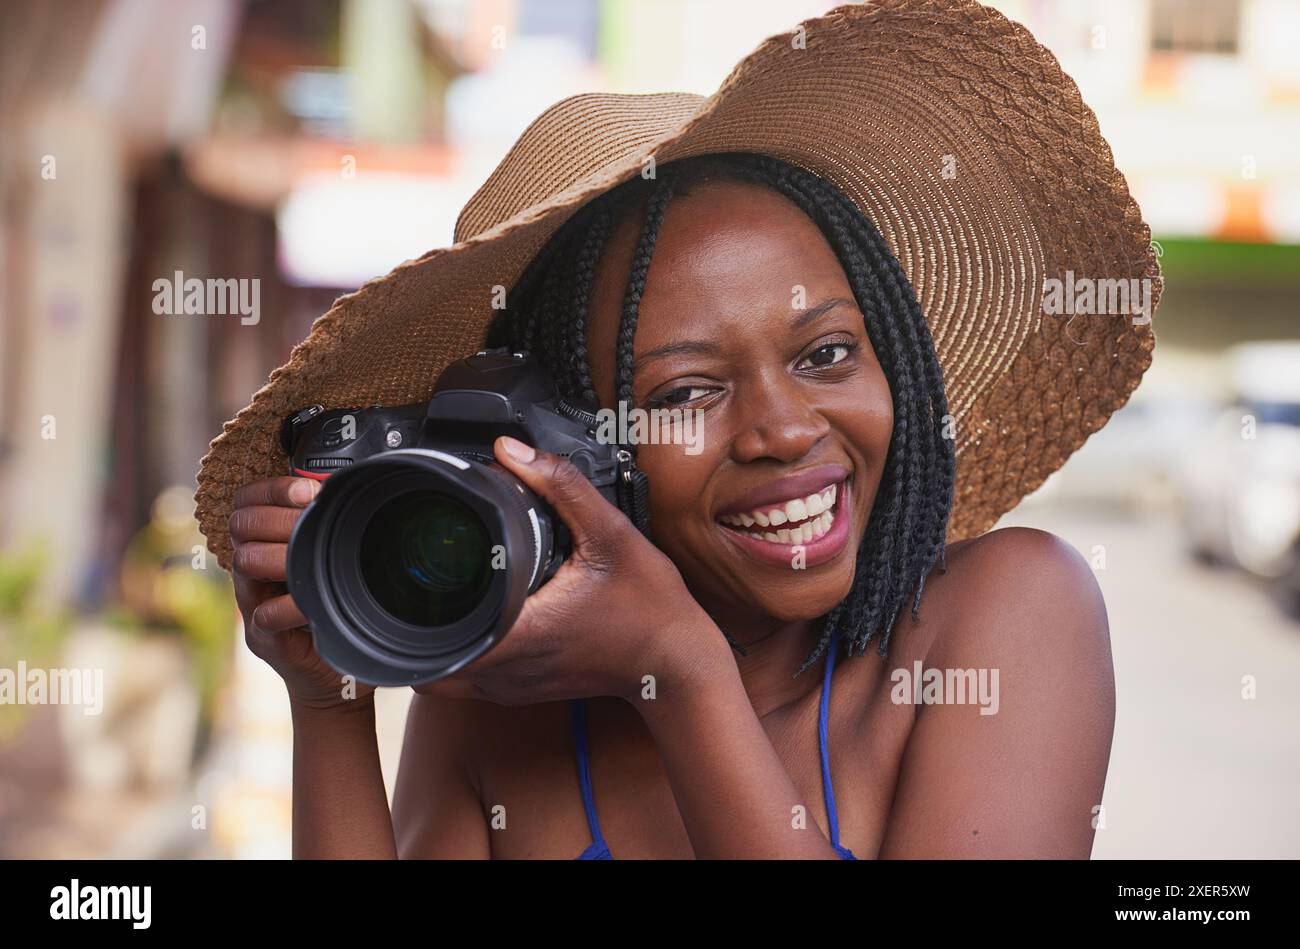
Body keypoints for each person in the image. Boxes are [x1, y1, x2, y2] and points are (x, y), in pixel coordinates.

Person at [197, 0, 1160, 859]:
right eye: (685, 393)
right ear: (567, 441)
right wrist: (331, 697)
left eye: (826, 353)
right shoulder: (497, 705)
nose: (784, 430)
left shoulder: (1004, 619)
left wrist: (681, 669)